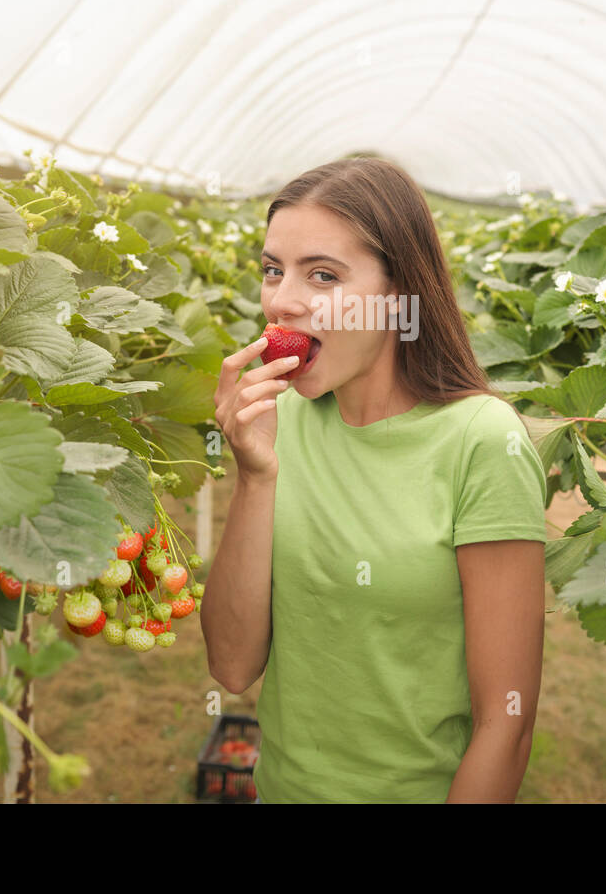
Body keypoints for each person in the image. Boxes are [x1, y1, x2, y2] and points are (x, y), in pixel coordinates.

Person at [202, 157, 548, 804]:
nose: (283, 299)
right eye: (273, 270)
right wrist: (254, 477)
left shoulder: (482, 441)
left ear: (401, 297)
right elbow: (231, 664)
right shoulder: (284, 423)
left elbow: (508, 722)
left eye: (323, 275)